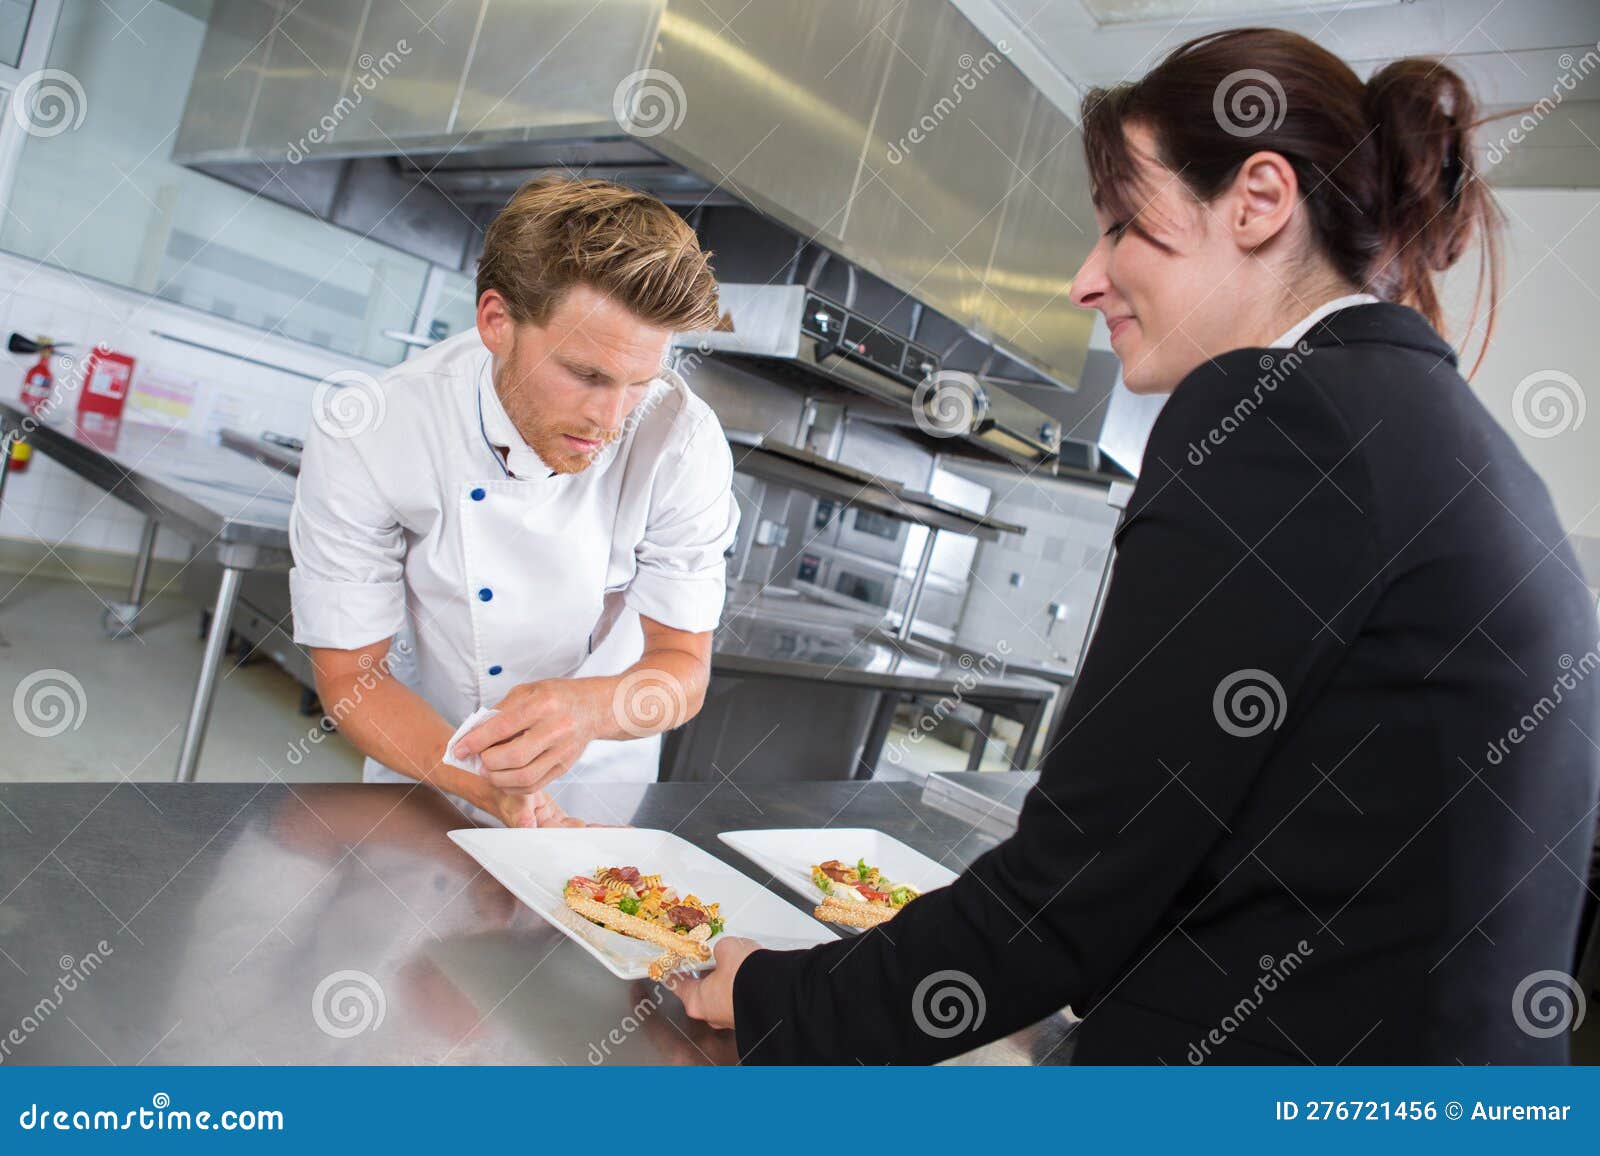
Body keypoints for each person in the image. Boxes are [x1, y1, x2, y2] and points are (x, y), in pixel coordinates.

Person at [671, 28, 1600, 1063]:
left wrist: (774, 994)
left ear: (1258, 199)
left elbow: (1069, 890)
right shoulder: (1448, 436)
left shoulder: (1283, 416)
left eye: (1121, 225)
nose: (1087, 278)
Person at [289, 177, 739, 828]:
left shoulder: (683, 443)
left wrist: (593, 708)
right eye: (585, 374)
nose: (610, 418)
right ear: (496, 321)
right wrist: (483, 783)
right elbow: (352, 678)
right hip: (424, 766)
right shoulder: (373, 428)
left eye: (639, 383)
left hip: (598, 783)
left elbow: (684, 667)